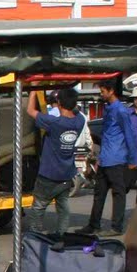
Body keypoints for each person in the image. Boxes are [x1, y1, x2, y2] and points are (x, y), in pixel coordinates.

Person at [25, 87, 86, 235]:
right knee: (63, 206)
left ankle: (35, 236)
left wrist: (33, 90)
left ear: (58, 102)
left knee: (39, 206)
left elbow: (30, 111)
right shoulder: (79, 121)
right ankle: (61, 235)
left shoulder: (54, 122)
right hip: (66, 173)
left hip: (48, 174)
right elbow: (75, 110)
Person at [85, 77, 134, 236]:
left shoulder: (121, 111)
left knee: (118, 193)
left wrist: (133, 159)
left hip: (117, 159)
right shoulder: (108, 109)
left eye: (102, 92)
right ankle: (94, 225)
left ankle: (116, 226)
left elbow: (129, 135)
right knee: (99, 193)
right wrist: (99, 158)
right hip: (105, 158)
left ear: (111, 91)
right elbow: (106, 136)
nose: (101, 95)